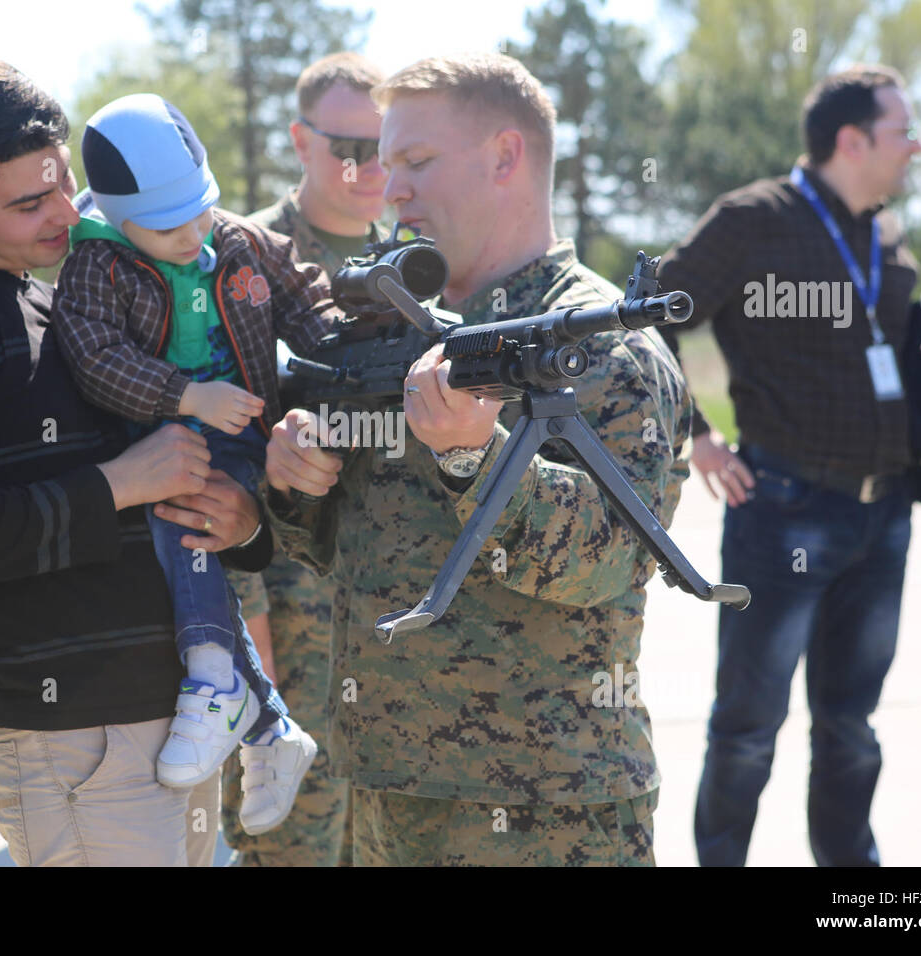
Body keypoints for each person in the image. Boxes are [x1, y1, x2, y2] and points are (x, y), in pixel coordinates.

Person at [262, 53, 692, 866]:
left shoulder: (602, 346)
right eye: (389, 168)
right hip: (388, 791)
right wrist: (297, 487)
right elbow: (357, 547)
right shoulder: (407, 334)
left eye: (417, 163)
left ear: (505, 156)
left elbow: (610, 558)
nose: (391, 192)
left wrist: (473, 454)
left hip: (548, 809)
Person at [0, 58, 271, 866]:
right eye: (28, 202)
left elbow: (169, 477)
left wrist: (241, 521)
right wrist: (122, 483)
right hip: (74, 739)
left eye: (65, 185)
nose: (67, 215)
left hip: (165, 720)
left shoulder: (56, 298)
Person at [656, 65, 921, 866]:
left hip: (884, 516)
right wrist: (695, 434)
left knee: (850, 729)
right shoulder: (753, 219)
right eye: (904, 130)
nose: (917, 145)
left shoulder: (887, 231)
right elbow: (651, 319)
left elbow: (883, 338)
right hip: (783, 509)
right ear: (851, 139)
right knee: (747, 731)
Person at [52, 93, 336, 834]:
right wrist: (186, 395)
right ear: (114, 214)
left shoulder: (240, 243)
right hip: (161, 433)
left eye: (199, 210)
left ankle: (223, 688)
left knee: (193, 525)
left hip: (238, 434)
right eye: (165, 223)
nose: (190, 233)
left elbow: (309, 302)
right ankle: (260, 720)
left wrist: (349, 349)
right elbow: (95, 360)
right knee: (188, 529)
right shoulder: (94, 265)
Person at [222, 50, 387, 867]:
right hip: (289, 606)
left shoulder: (417, 264)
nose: (369, 169)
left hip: (393, 614)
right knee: (291, 844)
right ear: (299, 140)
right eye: (347, 147)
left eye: (386, 148)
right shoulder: (241, 263)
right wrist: (248, 626)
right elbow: (214, 462)